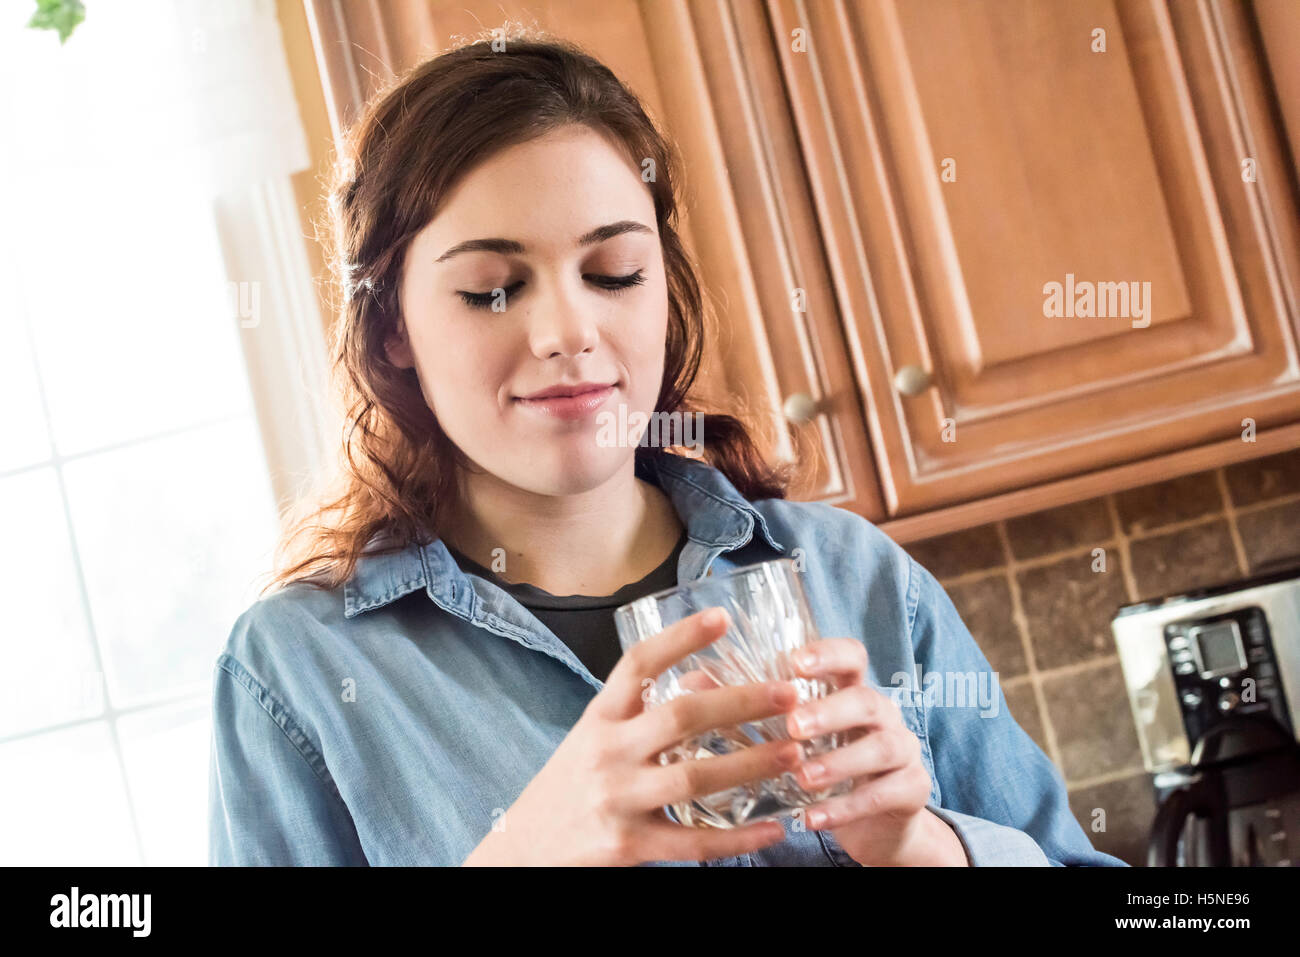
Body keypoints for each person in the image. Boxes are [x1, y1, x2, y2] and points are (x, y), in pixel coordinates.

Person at [208, 30, 1127, 867]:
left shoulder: (855, 578)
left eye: (615, 273)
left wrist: (926, 849)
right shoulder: (297, 674)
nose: (569, 329)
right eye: (491, 288)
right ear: (392, 325)